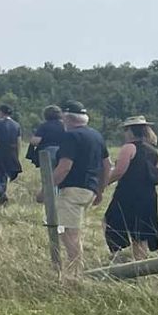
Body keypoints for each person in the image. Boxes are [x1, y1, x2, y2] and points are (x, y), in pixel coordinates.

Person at [52, 104, 111, 274]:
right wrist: (100, 190)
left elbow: (64, 167)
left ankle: (75, 272)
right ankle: (74, 269)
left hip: (72, 191)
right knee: (71, 230)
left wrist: (46, 189)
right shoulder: (96, 136)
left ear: (67, 118)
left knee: (68, 232)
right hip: (89, 190)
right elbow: (107, 166)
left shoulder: (71, 136)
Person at [103, 117, 158, 261]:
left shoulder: (129, 148)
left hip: (128, 194)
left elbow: (119, 171)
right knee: (141, 231)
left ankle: (117, 256)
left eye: (125, 130)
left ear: (130, 131)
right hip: (148, 194)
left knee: (111, 221)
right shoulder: (153, 150)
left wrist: (103, 184)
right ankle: (140, 263)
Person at [27, 104, 66, 178]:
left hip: (48, 153)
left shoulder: (44, 126)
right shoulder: (65, 125)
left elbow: (35, 142)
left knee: (48, 177)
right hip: (64, 153)